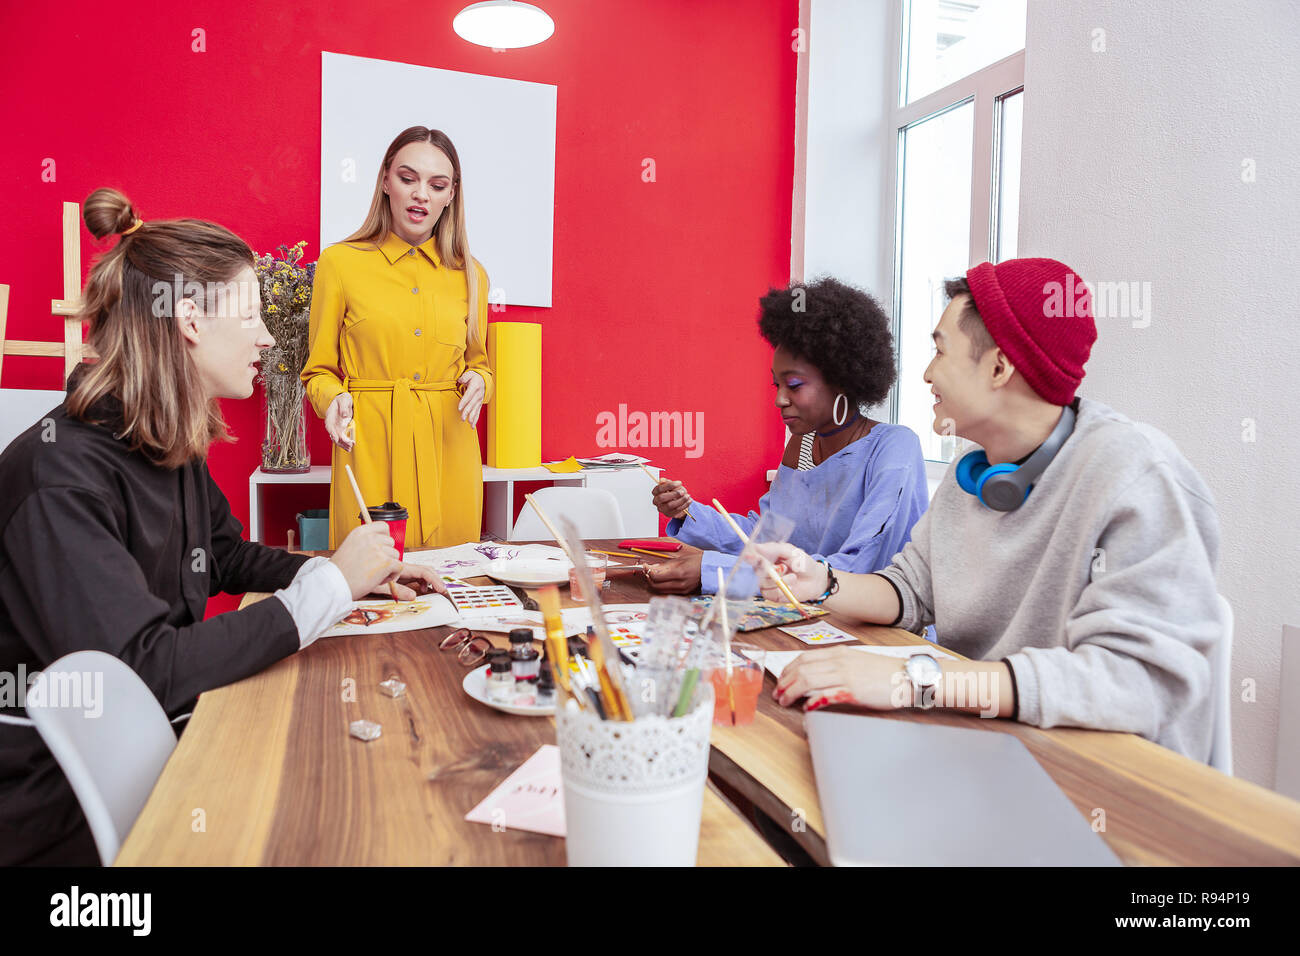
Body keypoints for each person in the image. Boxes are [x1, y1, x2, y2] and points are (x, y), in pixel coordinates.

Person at [0, 189, 445, 865]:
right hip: (63, 808)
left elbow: (225, 552)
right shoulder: (59, 476)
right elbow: (143, 667)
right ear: (189, 322)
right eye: (251, 315)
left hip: (158, 736)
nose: (268, 337)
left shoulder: (156, 438)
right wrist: (326, 586)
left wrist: (357, 576)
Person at [756, 258, 1224, 761]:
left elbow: (1136, 681)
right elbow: (908, 591)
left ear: (999, 367)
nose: (926, 373)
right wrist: (820, 580)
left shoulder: (1134, 474)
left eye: (940, 350)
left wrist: (914, 678)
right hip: (991, 742)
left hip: (1107, 775)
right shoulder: (974, 474)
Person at [646, 277, 928, 595]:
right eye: (775, 385)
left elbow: (855, 567)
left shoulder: (894, 448)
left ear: (842, 379)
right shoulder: (803, 444)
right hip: (806, 618)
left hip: (878, 634)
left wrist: (715, 571)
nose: (780, 399)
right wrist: (688, 511)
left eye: (793, 385)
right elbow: (767, 539)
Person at [303, 127, 494, 550]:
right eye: (408, 179)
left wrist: (482, 381)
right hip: (369, 443)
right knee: (370, 584)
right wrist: (331, 397)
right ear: (386, 180)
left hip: (450, 446)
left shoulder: (472, 275)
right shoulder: (339, 263)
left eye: (437, 184)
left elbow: (479, 363)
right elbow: (317, 370)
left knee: (456, 582)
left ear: (451, 195)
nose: (421, 194)